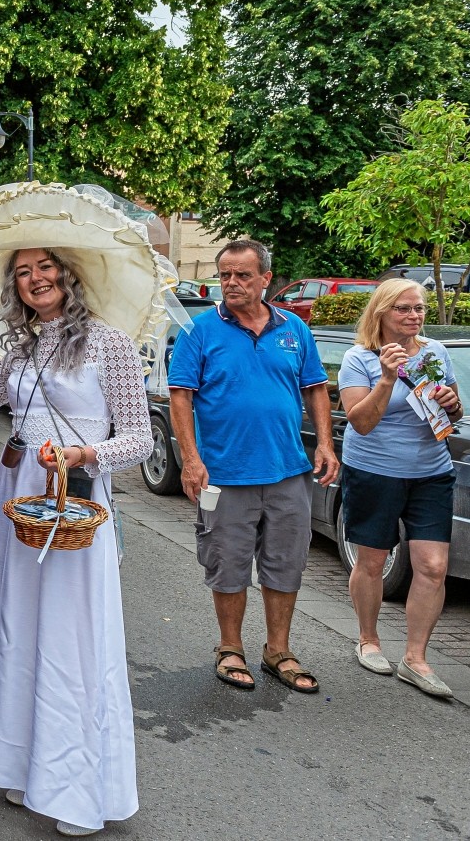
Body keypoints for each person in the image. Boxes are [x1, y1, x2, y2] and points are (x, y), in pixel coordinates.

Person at [0, 184, 162, 837]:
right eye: (22, 272)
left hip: (75, 507)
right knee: (17, 627)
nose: (34, 278)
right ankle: (18, 764)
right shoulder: (18, 347)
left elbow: (140, 437)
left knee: (70, 639)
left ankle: (74, 786)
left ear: (67, 274)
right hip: (20, 504)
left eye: (44, 267)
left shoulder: (111, 344)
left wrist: (82, 456)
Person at [169, 238, 338, 695]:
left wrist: (324, 443)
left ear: (266, 279)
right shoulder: (199, 331)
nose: (232, 283)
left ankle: (278, 651)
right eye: (225, 275)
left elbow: (316, 388)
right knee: (227, 564)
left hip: (288, 471)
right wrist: (190, 459)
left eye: (243, 275)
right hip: (224, 474)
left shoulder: (294, 329)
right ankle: (230, 648)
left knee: (286, 564)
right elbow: (180, 396)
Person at [339, 279, 461, 698]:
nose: (414, 316)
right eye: (404, 309)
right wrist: (387, 379)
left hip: (431, 470)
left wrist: (451, 403)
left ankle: (416, 658)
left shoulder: (437, 352)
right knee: (372, 560)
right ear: (381, 313)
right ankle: (369, 640)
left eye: (420, 308)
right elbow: (360, 422)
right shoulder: (359, 358)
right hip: (375, 471)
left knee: (433, 566)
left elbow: (453, 410)